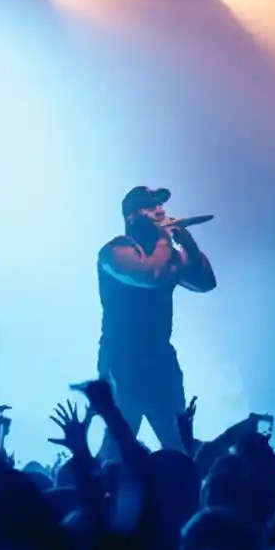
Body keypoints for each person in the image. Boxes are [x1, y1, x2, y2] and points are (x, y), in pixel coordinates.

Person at [97, 186, 216, 455]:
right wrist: (165, 239)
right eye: (150, 207)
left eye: (160, 205)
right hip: (122, 360)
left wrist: (186, 241)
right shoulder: (115, 250)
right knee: (119, 446)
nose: (160, 210)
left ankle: (181, 489)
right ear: (131, 217)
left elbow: (205, 283)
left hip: (160, 360)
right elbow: (152, 277)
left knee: (178, 444)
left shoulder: (168, 255)